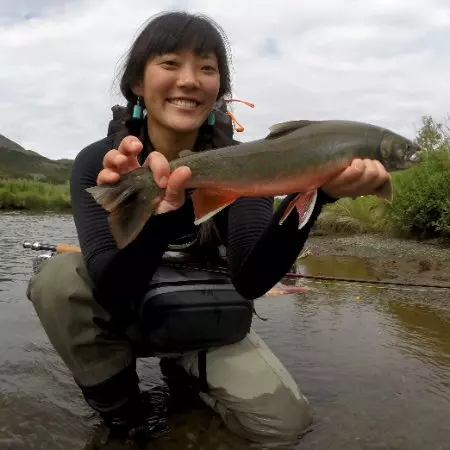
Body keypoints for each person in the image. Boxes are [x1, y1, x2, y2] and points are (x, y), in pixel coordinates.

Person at [27, 10, 391, 447]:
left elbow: (252, 279)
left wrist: (319, 195)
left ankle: (186, 375)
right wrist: (159, 217)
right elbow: (112, 290)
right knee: (57, 279)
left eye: (206, 68)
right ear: (137, 83)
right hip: (123, 312)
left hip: (198, 316)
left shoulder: (249, 164)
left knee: (283, 426)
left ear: (219, 88)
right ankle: (126, 416)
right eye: (169, 63)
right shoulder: (102, 162)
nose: (190, 80)